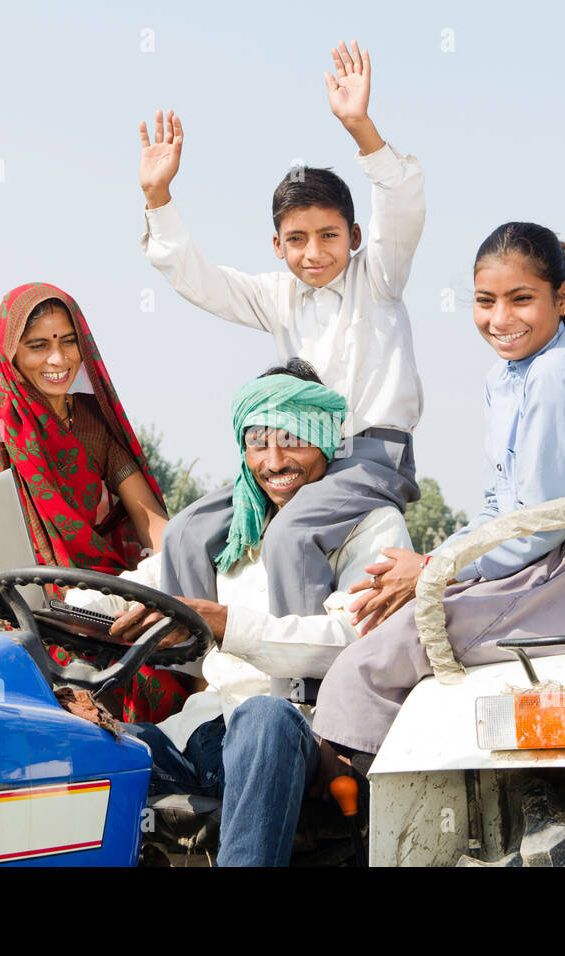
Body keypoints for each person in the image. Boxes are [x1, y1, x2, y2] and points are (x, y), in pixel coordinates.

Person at [312, 222, 565, 756]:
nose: (501, 320)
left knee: (369, 663)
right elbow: (501, 509)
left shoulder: (557, 376)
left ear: (561, 297)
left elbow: (540, 523)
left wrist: (433, 570)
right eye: (485, 301)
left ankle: (367, 818)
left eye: (522, 300)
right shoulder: (508, 377)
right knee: (382, 630)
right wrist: (435, 564)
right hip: (540, 563)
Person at [66, 360, 413, 866]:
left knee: (263, 715)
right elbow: (135, 588)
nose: (274, 461)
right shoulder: (224, 529)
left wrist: (229, 624)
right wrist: (68, 608)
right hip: (201, 736)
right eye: (258, 443)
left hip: (297, 735)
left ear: (325, 439)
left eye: (292, 440)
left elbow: (353, 638)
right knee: (74, 745)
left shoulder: (371, 525)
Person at [137, 40, 425, 619]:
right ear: (277, 245)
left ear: (355, 236)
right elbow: (200, 281)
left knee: (292, 534)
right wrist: (158, 196)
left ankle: (303, 684)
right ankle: (188, 671)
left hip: (369, 459)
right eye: (297, 240)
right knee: (189, 531)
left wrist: (360, 126)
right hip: (294, 456)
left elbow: (402, 202)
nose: (314, 253)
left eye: (329, 236)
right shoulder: (278, 295)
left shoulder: (381, 277)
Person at [0, 282, 186, 723]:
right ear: (10, 351)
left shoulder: (93, 421)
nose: (58, 360)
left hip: (97, 603)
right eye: (38, 345)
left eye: (68, 341)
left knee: (184, 690)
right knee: (54, 720)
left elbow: (152, 522)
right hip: (20, 607)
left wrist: (189, 576)